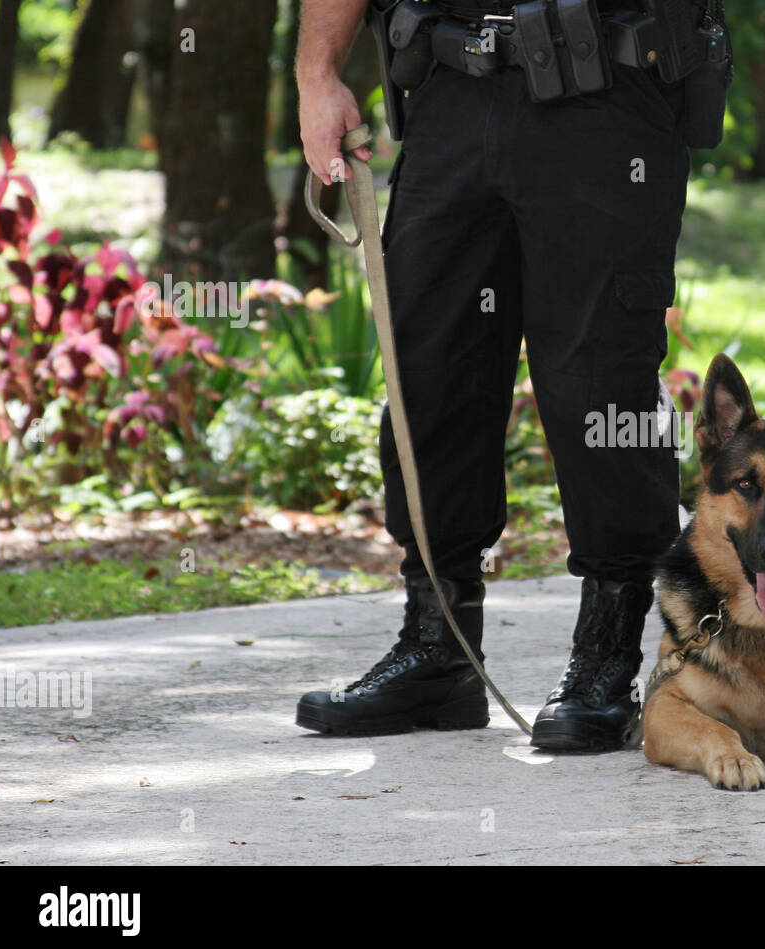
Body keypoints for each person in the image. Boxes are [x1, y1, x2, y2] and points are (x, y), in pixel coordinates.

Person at [293, 0, 691, 751]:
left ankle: (606, 659)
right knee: (429, 369)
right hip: (449, 87)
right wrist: (319, 76)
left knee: (599, 379)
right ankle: (438, 654)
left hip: (604, 89)